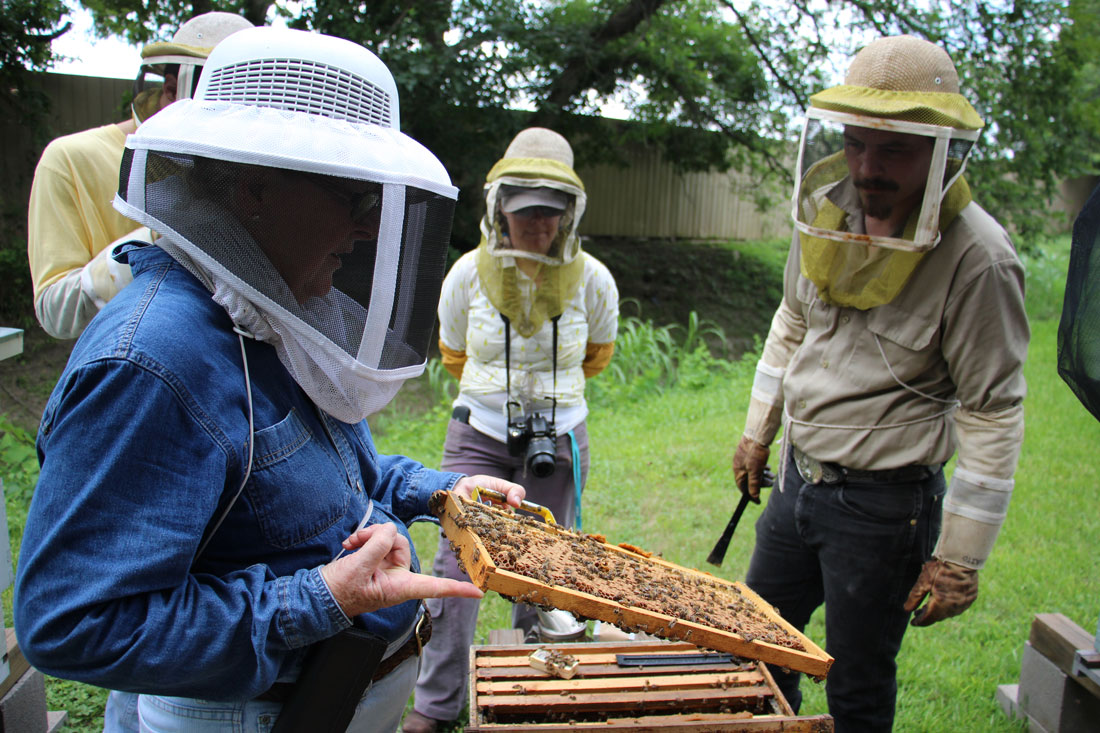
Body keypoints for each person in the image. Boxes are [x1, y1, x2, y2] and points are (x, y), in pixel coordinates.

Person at [13, 26, 526, 733]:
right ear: (254, 186)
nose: (370, 227)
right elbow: (72, 621)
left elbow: (335, 477)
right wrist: (318, 598)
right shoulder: (154, 360)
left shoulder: (269, 309)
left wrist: (439, 492)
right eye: (353, 195)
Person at [730, 35, 1028, 732]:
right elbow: (792, 322)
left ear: (943, 148)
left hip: (885, 509)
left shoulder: (980, 260)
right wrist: (757, 429)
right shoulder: (827, 217)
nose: (868, 166)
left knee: (857, 680)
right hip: (799, 482)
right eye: (857, 142)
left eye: (894, 148)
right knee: (756, 645)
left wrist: (959, 556)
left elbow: (993, 410)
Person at [403, 127, 619, 733]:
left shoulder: (595, 279)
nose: (538, 226)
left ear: (569, 215)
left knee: (548, 563)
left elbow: (597, 354)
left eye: (550, 215)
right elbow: (451, 351)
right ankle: (435, 705)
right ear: (499, 208)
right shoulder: (467, 275)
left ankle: (531, 687)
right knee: (455, 561)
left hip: (558, 437)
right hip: (479, 430)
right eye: (525, 213)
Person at [27, 11, 252, 339]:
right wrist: (160, 239)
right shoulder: (70, 159)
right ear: (173, 90)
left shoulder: (243, 169)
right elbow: (54, 311)